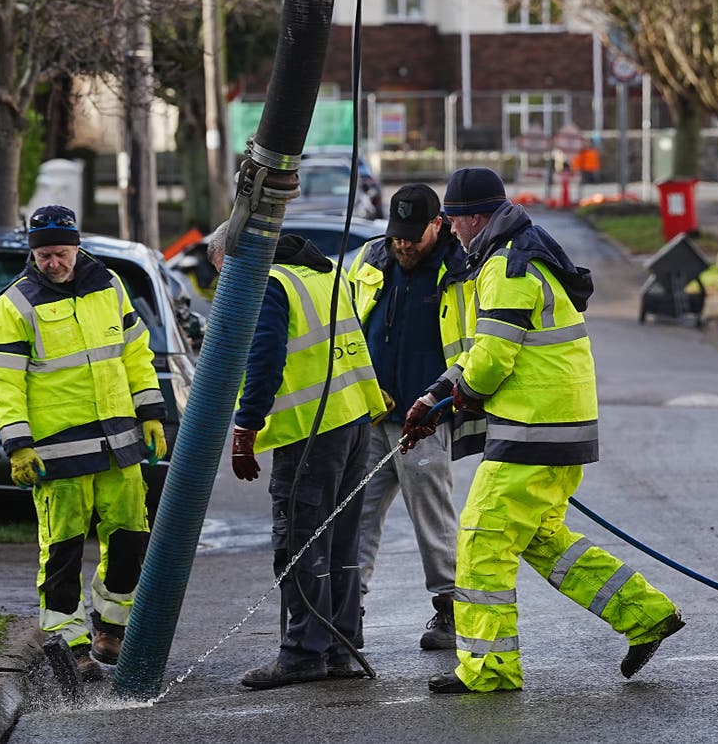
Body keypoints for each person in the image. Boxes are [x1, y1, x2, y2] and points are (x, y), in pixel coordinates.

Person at [403, 168, 685, 694]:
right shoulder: (519, 254)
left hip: (533, 428)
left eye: (454, 220)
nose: (451, 230)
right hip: (556, 425)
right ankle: (646, 615)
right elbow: (485, 350)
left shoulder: (504, 267)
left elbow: (490, 361)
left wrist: (456, 397)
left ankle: (489, 668)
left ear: (475, 218)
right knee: (543, 539)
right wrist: (434, 395)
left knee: (482, 540)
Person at [0, 205, 167, 681]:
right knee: (62, 551)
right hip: (57, 452)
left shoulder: (109, 285)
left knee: (130, 540)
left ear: (77, 247)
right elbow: (4, 382)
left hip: (118, 444)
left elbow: (135, 353)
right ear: (32, 253)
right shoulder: (15, 305)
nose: (53, 263)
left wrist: (150, 413)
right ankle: (71, 647)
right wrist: (18, 445)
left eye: (61, 253)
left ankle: (110, 629)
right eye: (43, 255)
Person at [214, 224, 388, 688]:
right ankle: (341, 647)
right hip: (354, 420)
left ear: (236, 259)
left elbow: (264, 357)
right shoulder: (325, 272)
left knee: (300, 542)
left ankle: (303, 653)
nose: (226, 286)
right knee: (341, 543)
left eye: (223, 272)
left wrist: (246, 426)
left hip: (311, 431)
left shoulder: (272, 284)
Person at [347, 183, 473, 650]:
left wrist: (442, 399)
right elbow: (347, 327)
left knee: (432, 517)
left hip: (427, 419)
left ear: (437, 225)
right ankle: (347, 611)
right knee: (357, 515)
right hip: (372, 415)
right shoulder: (370, 258)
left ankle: (451, 609)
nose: (402, 245)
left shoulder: (460, 270)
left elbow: (476, 344)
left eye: (412, 237)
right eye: (396, 235)